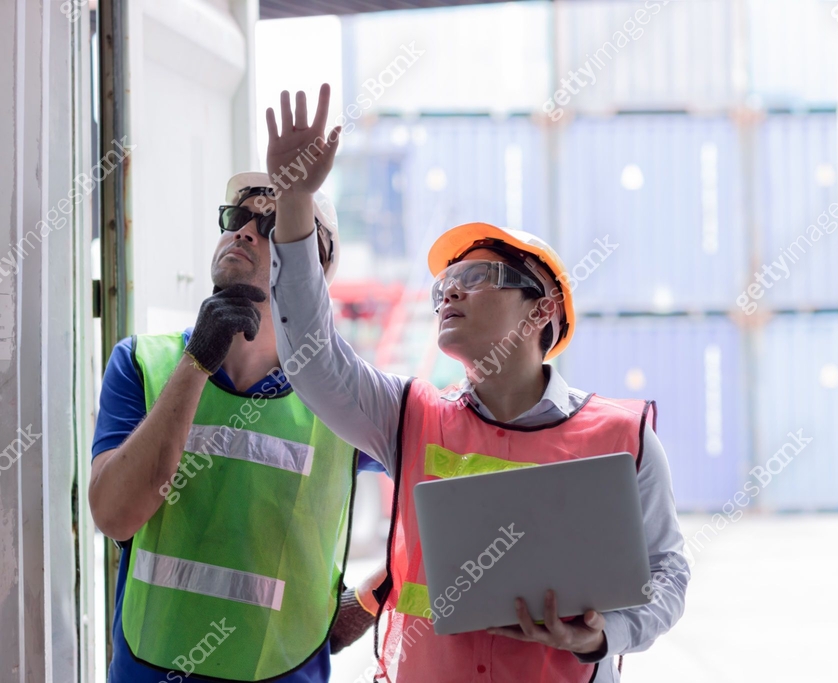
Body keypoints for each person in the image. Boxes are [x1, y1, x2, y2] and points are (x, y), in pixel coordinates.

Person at [264, 84, 688, 682]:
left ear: (541, 311)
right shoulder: (408, 415)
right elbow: (312, 360)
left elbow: (668, 571)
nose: (450, 293)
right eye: (444, 286)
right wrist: (295, 202)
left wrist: (600, 635)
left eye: (478, 276)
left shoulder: (624, 437)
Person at [88, 172, 383, 683]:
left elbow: (454, 485)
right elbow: (114, 515)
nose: (244, 231)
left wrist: (372, 598)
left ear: (311, 270)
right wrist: (197, 361)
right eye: (237, 217)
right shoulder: (142, 363)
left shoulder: (344, 396)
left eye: (270, 226)